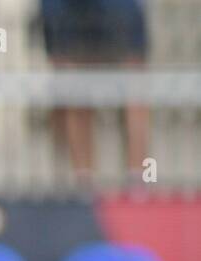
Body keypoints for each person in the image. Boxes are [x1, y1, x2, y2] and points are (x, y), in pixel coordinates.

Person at [41, 0, 149, 184]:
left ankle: (137, 180)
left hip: (120, 8)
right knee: (76, 89)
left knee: (134, 90)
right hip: (71, 11)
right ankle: (84, 180)